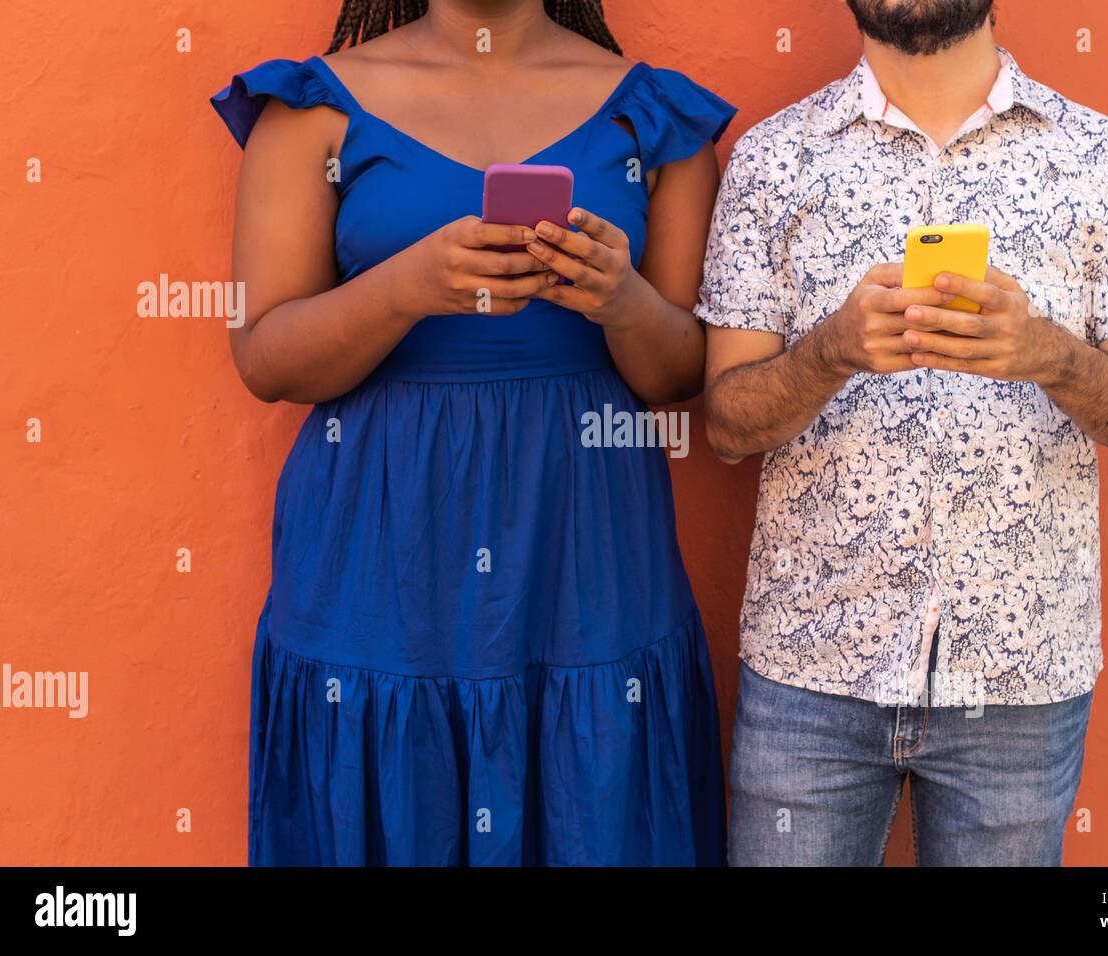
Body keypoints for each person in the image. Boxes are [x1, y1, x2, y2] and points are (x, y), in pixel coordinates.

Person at [210, 0, 735, 865]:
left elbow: (681, 376)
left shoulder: (654, 117)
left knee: (588, 799)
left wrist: (620, 300)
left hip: (585, 550)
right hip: (381, 553)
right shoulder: (315, 109)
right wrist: (408, 286)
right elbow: (265, 357)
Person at [697, 0, 1108, 866]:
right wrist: (830, 353)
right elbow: (727, 426)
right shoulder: (774, 159)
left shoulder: (1098, 157)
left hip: (1020, 675)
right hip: (812, 667)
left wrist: (1050, 353)